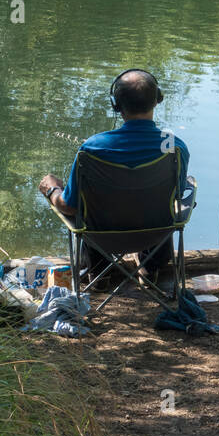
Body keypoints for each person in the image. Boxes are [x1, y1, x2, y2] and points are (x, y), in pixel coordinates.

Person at [39, 68, 193, 282]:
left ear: (116, 105)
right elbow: (176, 196)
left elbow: (69, 206)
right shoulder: (174, 147)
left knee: (87, 206)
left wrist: (52, 189)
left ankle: (99, 272)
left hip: (102, 238)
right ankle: (151, 268)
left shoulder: (92, 148)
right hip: (156, 234)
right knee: (169, 200)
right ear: (158, 100)